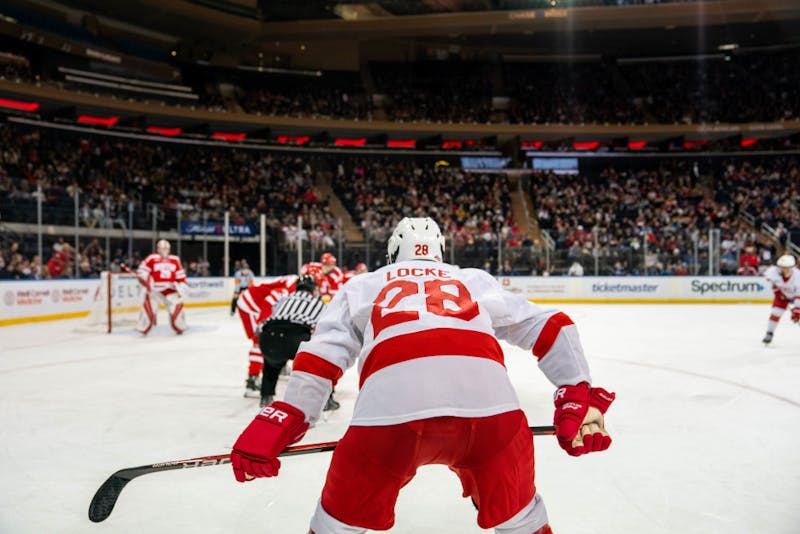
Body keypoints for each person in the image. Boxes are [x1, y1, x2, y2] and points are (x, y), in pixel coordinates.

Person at [231, 216, 615, 534]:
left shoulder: (363, 284)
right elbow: (552, 324)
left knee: (337, 526)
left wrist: (286, 417)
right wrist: (576, 392)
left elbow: (322, 356)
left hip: (388, 420)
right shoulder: (473, 278)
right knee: (523, 520)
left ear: (391, 252)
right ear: (441, 252)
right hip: (492, 415)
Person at [257, 274, 332, 409]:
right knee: (318, 362)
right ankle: (326, 400)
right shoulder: (319, 304)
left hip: (267, 338)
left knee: (271, 364)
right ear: (314, 290)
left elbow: (270, 317)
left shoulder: (283, 299)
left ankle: (266, 396)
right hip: (294, 337)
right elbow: (326, 327)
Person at [236, 274, 299, 397]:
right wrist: (263, 322)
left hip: (260, 304)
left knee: (278, 334)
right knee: (259, 340)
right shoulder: (291, 288)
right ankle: (252, 381)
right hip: (251, 305)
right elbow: (270, 300)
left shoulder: (296, 285)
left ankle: (279, 365)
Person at [135, 240, 188, 335]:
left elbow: (180, 275)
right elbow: (141, 271)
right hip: (155, 291)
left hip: (171, 291)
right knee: (148, 315)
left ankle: (180, 326)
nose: (164, 250)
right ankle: (142, 326)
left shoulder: (175, 259)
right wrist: (145, 278)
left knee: (177, 317)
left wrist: (182, 285)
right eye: (162, 248)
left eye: (166, 248)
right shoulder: (151, 258)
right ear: (158, 249)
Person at [761, 254, 800, 344]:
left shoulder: (798, 277)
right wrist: (778, 293)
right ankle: (769, 333)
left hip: (796, 296)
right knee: (776, 312)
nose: (783, 269)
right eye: (782, 267)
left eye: (786, 267)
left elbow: (798, 296)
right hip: (781, 296)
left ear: (792, 267)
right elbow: (772, 284)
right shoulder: (772, 272)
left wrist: (797, 311)